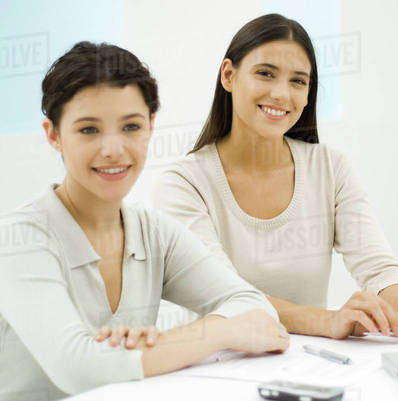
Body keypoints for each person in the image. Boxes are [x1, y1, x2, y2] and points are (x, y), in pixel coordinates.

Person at [0, 41, 288, 400]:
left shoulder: (153, 232)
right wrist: (217, 333)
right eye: (88, 130)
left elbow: (254, 305)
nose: (113, 149)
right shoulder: (19, 239)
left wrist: (162, 345)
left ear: (151, 126)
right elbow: (79, 369)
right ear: (53, 134)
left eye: (131, 127)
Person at [151, 14, 398, 341]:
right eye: (265, 74)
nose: (282, 95)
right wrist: (327, 321)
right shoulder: (184, 183)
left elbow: (379, 268)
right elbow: (227, 295)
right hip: (219, 367)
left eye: (298, 81)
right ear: (228, 75)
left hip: (312, 365)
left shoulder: (330, 168)